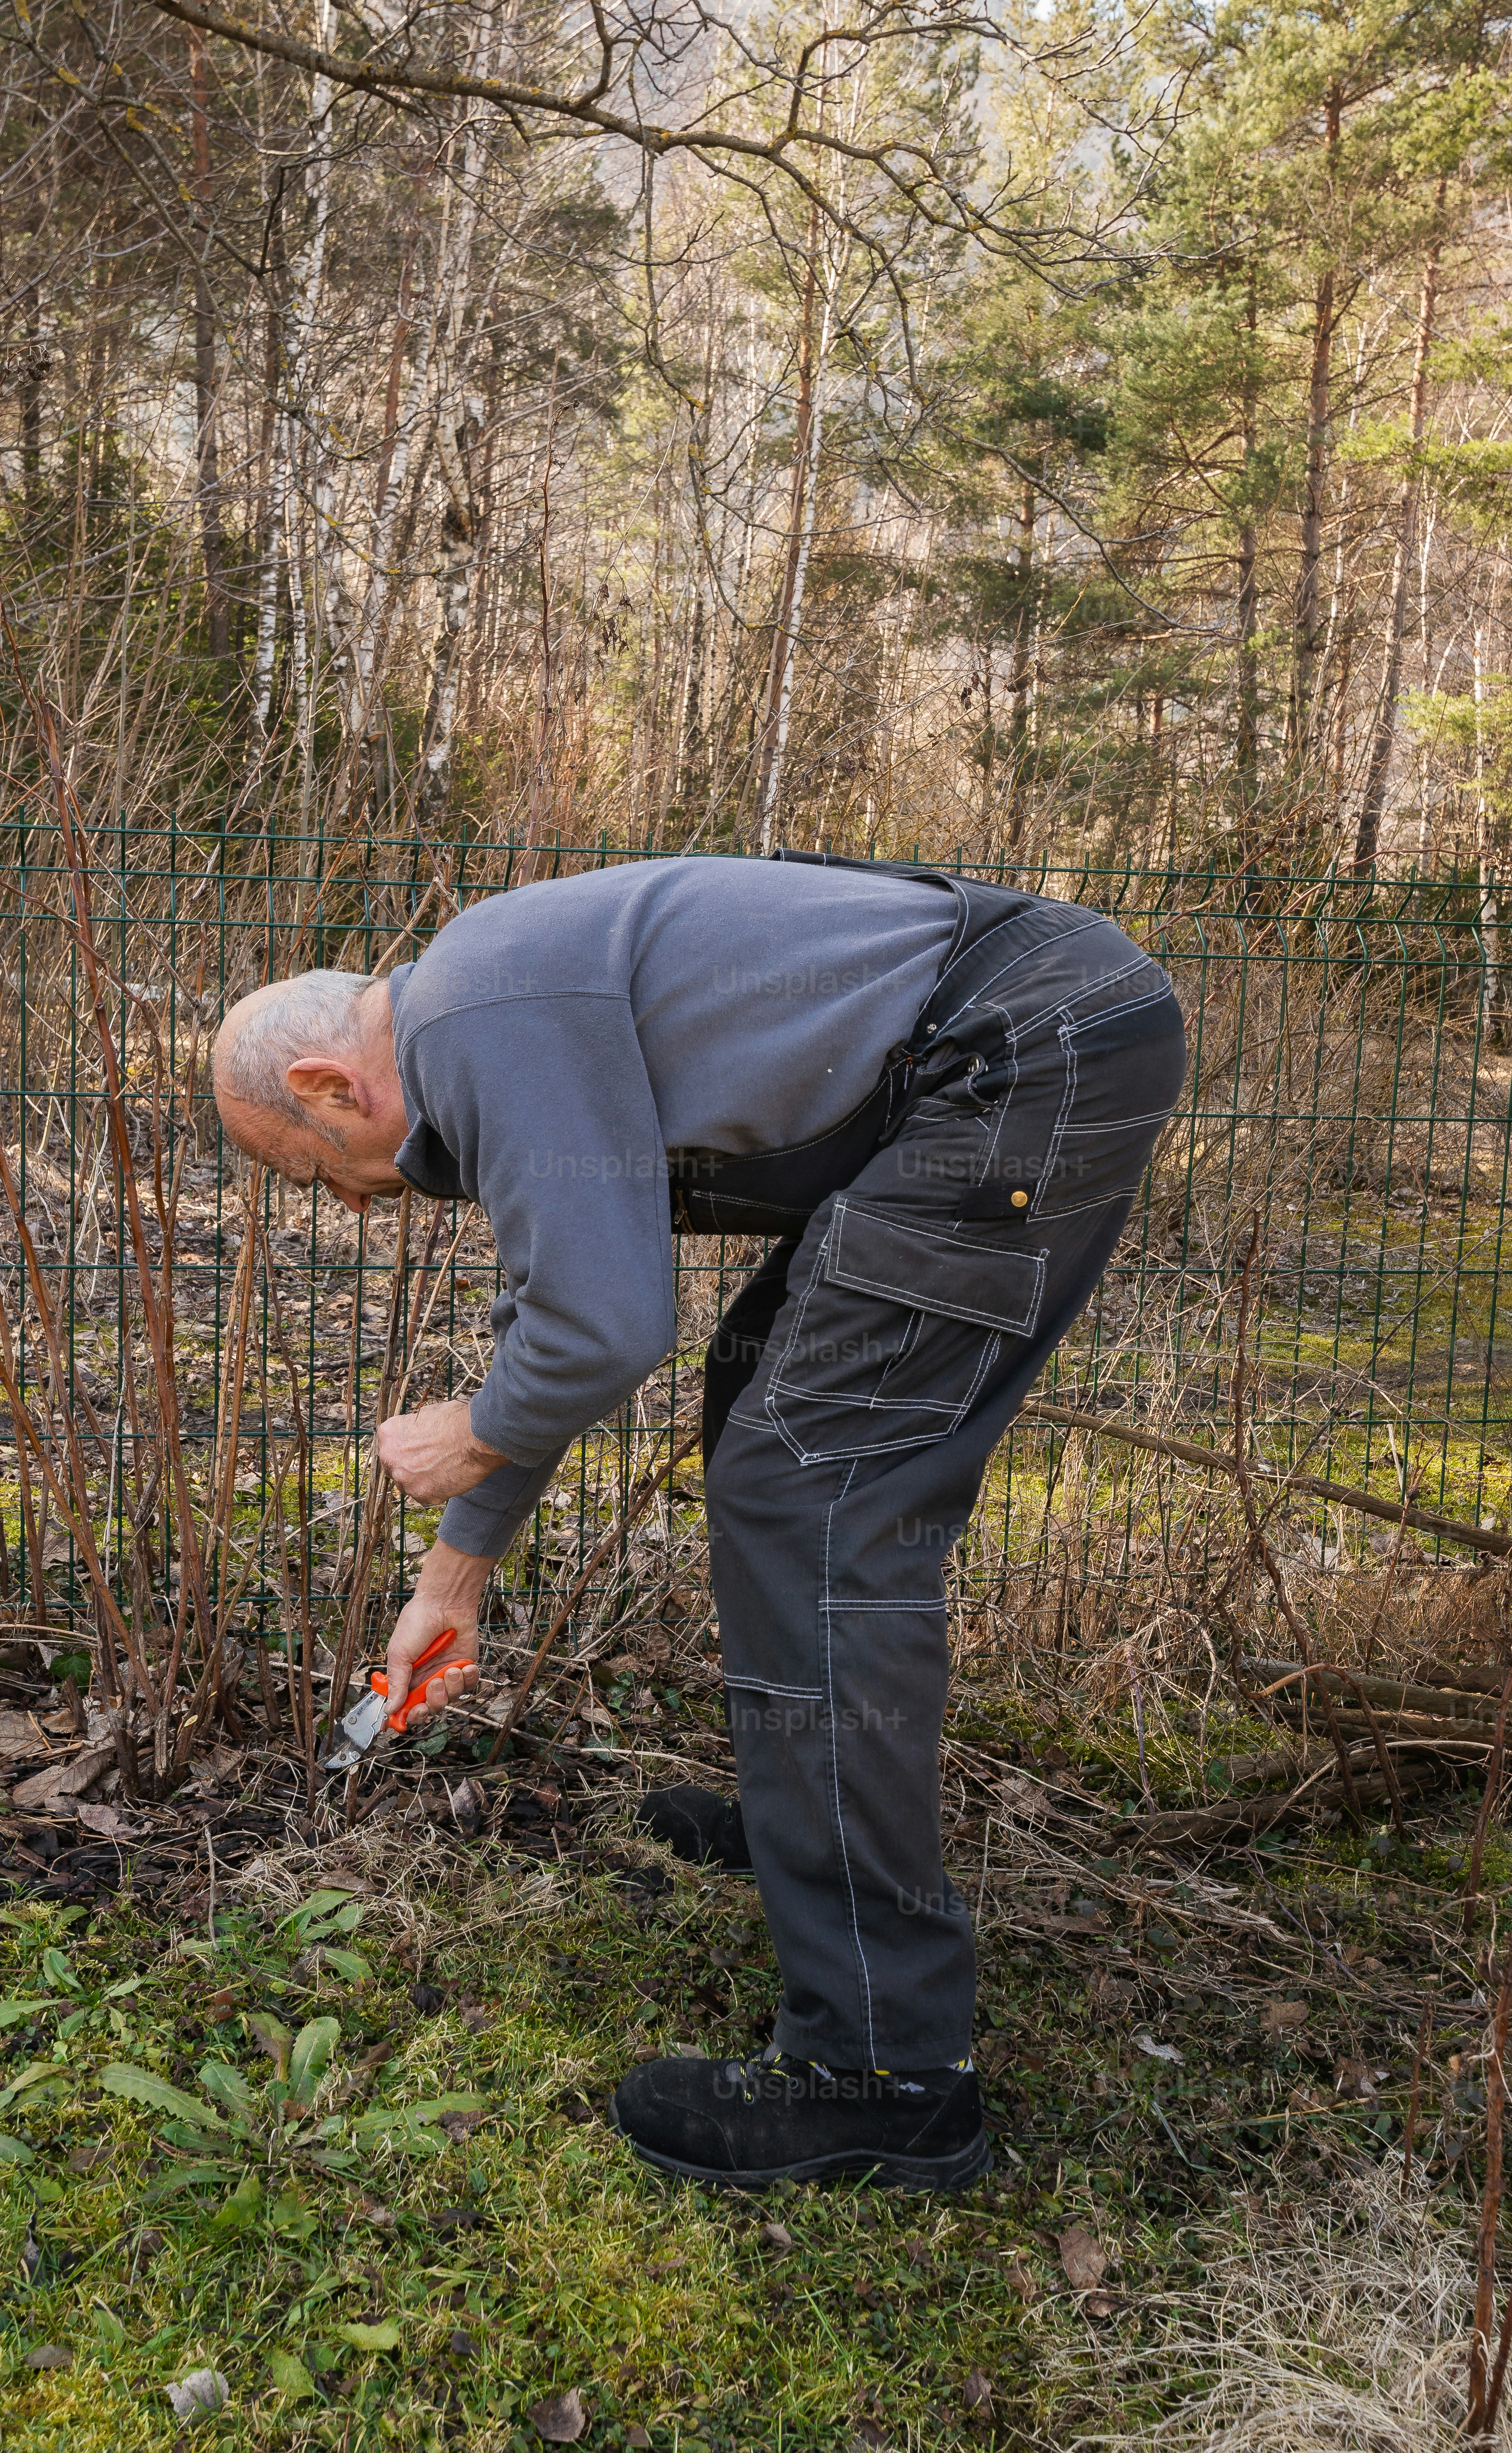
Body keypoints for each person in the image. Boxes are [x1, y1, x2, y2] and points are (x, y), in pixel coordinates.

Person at [213, 852, 1186, 2191]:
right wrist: (457, 1575)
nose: (344, 1200)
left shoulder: (472, 1018)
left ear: (332, 1089)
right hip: (1018, 1035)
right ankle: (812, 1810)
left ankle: (884, 2072)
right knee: (767, 1398)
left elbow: (605, 1327)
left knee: (811, 1483)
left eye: (311, 1167)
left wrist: (470, 1432)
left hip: (1019, 1046)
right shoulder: (481, 1008)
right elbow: (553, 1304)